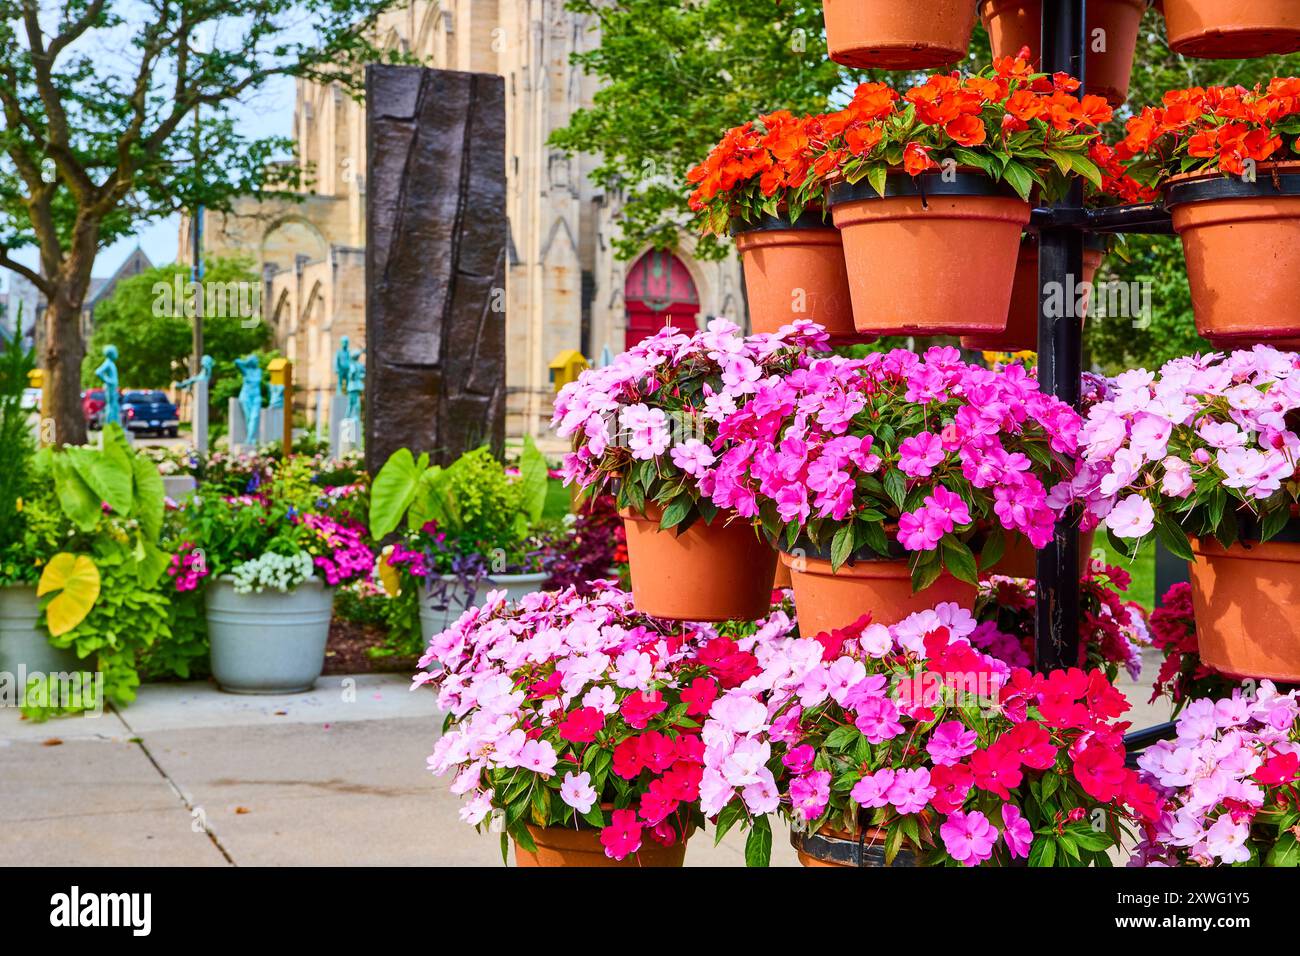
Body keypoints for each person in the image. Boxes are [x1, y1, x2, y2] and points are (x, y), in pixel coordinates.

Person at [234, 355, 263, 446]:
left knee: (254, 417)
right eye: (256, 360)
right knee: (249, 417)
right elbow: (237, 362)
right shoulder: (246, 371)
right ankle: (250, 438)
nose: (257, 362)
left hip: (256, 396)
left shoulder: (259, 371)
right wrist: (247, 362)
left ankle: (249, 438)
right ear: (251, 362)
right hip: (246, 396)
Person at [95, 345, 121, 426]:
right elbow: (98, 372)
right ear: (111, 353)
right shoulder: (108, 363)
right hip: (110, 388)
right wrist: (108, 381)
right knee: (111, 406)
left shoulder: (111, 363)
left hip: (113, 387)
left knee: (115, 406)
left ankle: (115, 423)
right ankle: (110, 424)